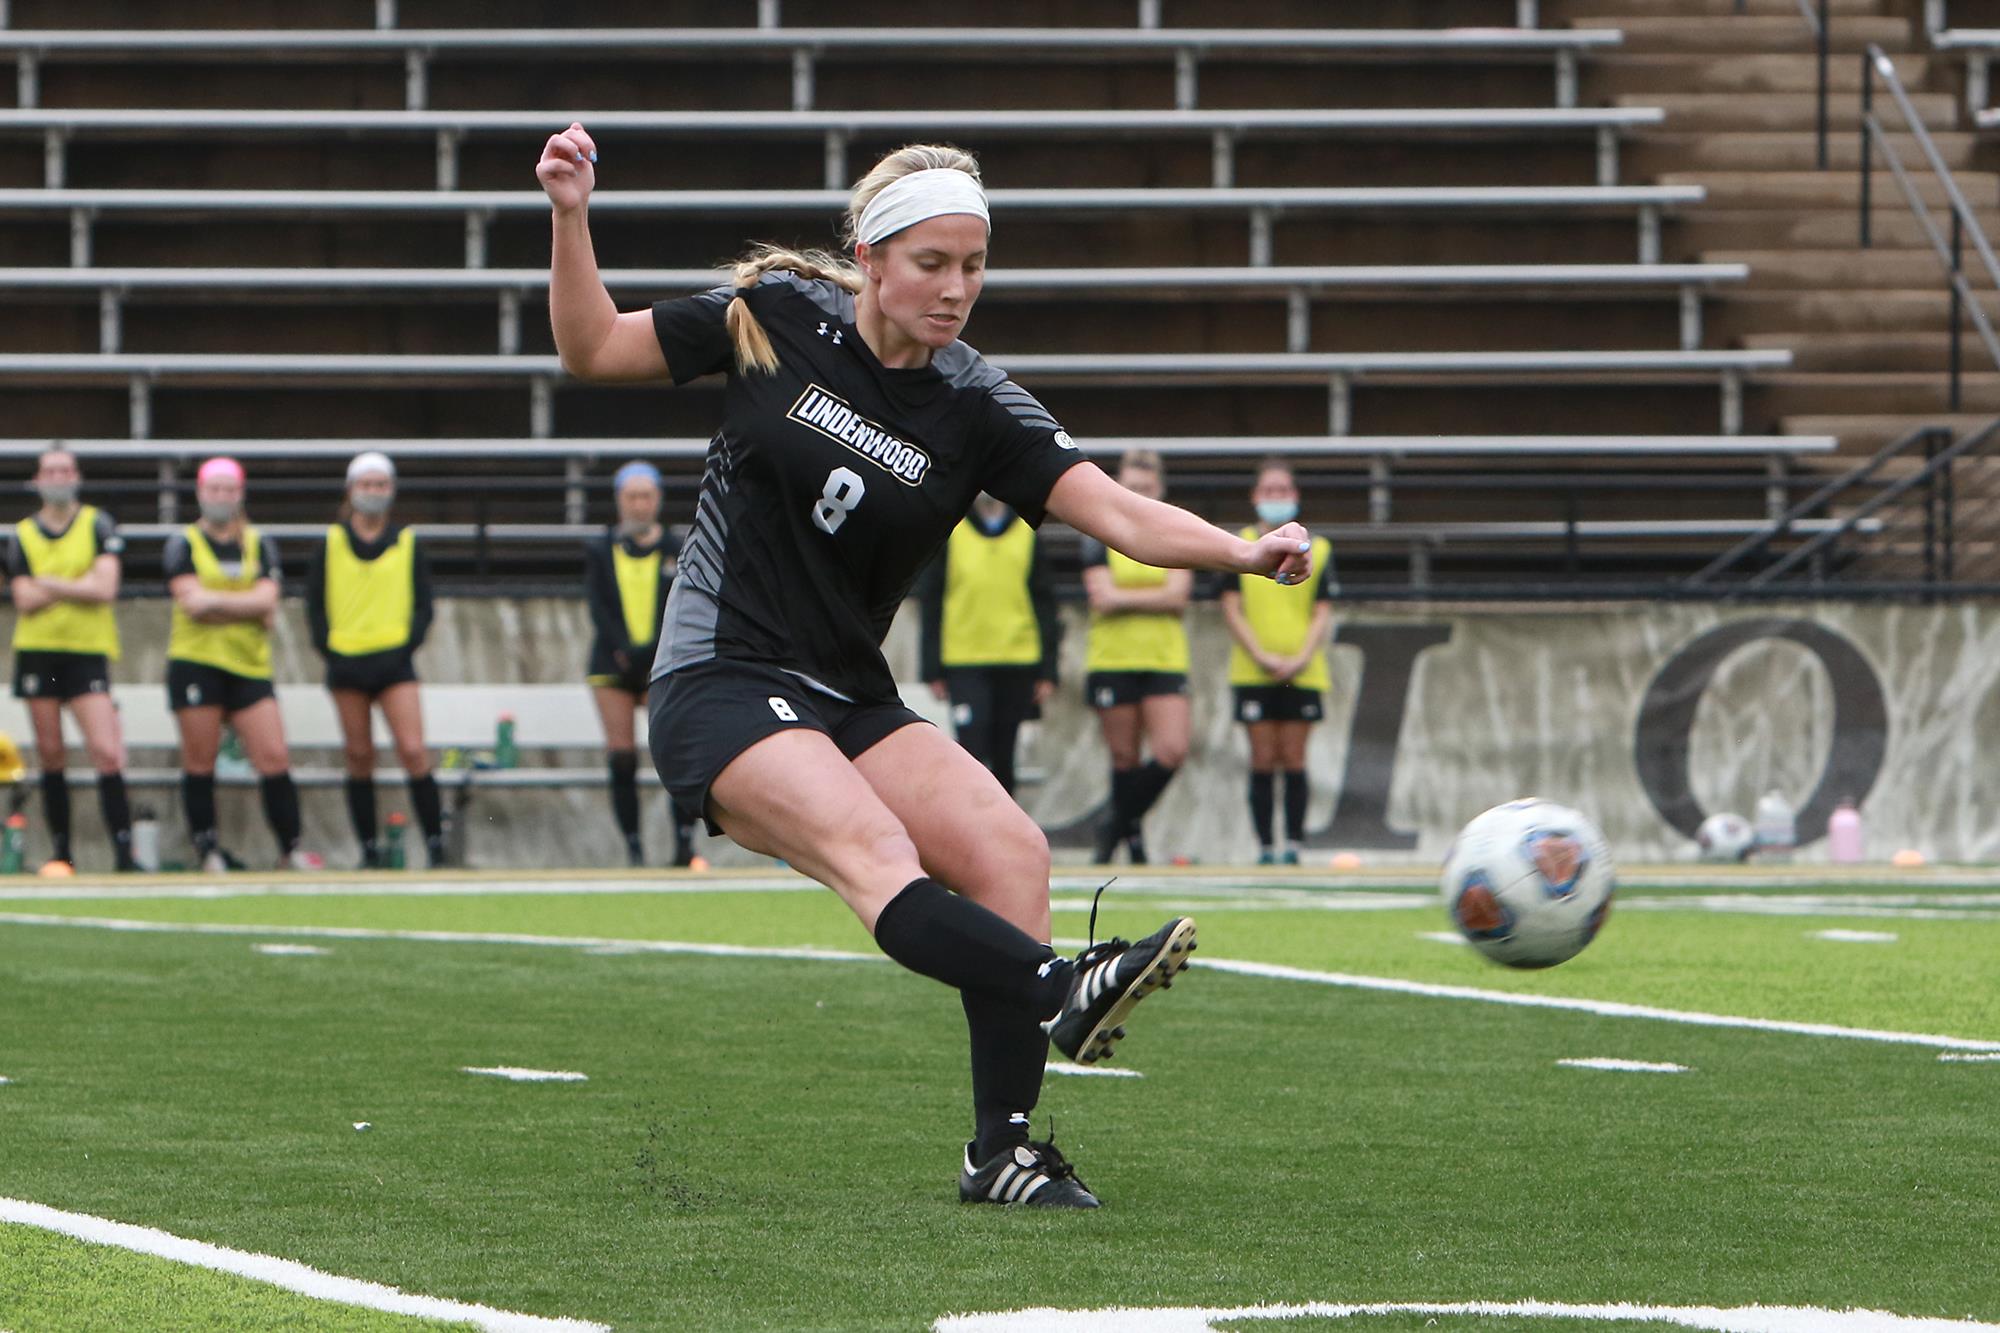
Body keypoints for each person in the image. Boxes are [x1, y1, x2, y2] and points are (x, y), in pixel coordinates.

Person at [539, 125, 1312, 1207]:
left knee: (1011, 853)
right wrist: (571, 215)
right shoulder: (770, 318)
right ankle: (1062, 984)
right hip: (719, 676)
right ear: (869, 255)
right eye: (931, 265)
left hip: (846, 692)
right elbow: (591, 348)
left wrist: (1241, 550)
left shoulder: (975, 401)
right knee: (875, 848)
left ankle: (1001, 1151)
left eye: (974, 266)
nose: (955, 291)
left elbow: (1115, 511)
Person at [164, 457, 321, 873]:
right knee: (200, 760)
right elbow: (193, 604)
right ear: (200, 494)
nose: (220, 497)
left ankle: (291, 848)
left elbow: (267, 602)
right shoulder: (184, 543)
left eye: (228, 490)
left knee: (274, 756)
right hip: (197, 661)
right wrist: (244, 605)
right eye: (213, 489)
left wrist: (218, 602)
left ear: (240, 493)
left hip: (249, 665)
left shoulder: (258, 542)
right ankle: (208, 850)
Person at [304, 452, 446, 869]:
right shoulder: (329, 543)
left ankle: (436, 845)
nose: (373, 493)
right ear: (351, 491)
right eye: (365, 485)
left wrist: (406, 646)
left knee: (414, 751)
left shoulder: (407, 542)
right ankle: (368, 849)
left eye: (380, 485)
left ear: (392, 491)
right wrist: (328, 647)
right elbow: (314, 605)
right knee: (359, 755)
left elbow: (424, 605)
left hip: (394, 663)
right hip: (347, 663)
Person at [7, 448, 135, 872]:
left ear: (76, 476)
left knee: (106, 751)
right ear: (37, 480)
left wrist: (50, 582)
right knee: (51, 753)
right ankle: (62, 851)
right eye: (50, 471)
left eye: (65, 470)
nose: (58, 477)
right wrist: (78, 583)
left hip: (85, 651)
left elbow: (105, 588)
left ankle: (123, 853)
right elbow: (23, 598)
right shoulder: (23, 533)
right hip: (38, 651)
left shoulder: (97, 524)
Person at [1219, 457, 1335, 865]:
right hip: (1254, 671)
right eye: (1269, 491)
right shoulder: (1240, 546)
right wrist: (1261, 655)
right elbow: (1231, 608)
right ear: (1255, 497)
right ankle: (1266, 846)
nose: (1276, 498)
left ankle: (1295, 846)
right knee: (1263, 758)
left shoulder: (1318, 550)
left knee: (1295, 757)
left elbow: (1322, 610)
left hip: (1304, 672)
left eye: (1282, 491)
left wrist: (1300, 657)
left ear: (1296, 497)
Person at [583, 459, 697, 867]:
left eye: (646, 496)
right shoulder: (600, 549)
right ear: (619, 501)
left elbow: (683, 604)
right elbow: (598, 606)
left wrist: (654, 653)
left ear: (658, 499)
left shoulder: (677, 548)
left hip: (661, 664)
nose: (639, 504)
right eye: (631, 496)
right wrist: (622, 648)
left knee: (674, 749)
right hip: (612, 663)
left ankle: (683, 842)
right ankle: (633, 846)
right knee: (622, 754)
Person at [1081, 449, 1190, 865]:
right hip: (1113, 656)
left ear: (1159, 489)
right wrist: (1155, 596)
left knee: (1171, 750)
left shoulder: (1175, 528)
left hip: (1164, 657)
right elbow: (1100, 598)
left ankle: (1115, 822)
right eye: (1131, 487)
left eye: (1146, 487)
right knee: (1124, 758)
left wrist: (1124, 596)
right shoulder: (1101, 530)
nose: (1139, 494)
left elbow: (1178, 596)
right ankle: (1133, 843)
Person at [916, 491, 1059, 797]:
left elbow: (1044, 604)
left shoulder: (1026, 532)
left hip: (1018, 658)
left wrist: (1048, 669)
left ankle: (1002, 832)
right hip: (964, 659)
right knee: (972, 750)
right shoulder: (951, 530)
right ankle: (969, 829)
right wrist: (931, 668)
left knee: (1005, 755)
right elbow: (932, 602)